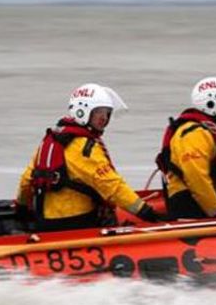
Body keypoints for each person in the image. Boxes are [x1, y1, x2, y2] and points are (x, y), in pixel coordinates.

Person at [17, 83, 160, 231]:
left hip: (46, 223)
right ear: (82, 111)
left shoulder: (50, 141)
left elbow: (26, 180)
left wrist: (21, 208)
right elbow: (112, 187)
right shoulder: (85, 148)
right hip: (77, 223)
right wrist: (145, 212)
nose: (104, 118)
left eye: (107, 113)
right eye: (99, 112)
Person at [156, 77, 216, 219]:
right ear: (211, 104)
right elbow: (196, 177)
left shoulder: (207, 131)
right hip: (191, 204)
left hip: (202, 201)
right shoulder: (194, 133)